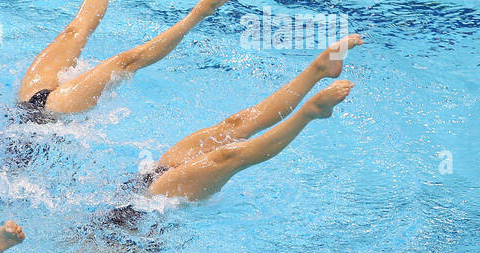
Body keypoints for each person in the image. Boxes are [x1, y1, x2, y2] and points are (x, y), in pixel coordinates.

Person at [108, 35, 361, 218]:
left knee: (233, 126)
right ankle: (310, 113)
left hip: (142, 187)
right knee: (228, 156)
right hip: (143, 212)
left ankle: (318, 70)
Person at [16, 0, 235, 117]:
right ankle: (200, 13)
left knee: (72, 32)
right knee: (127, 61)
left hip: (27, 103)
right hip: (52, 115)